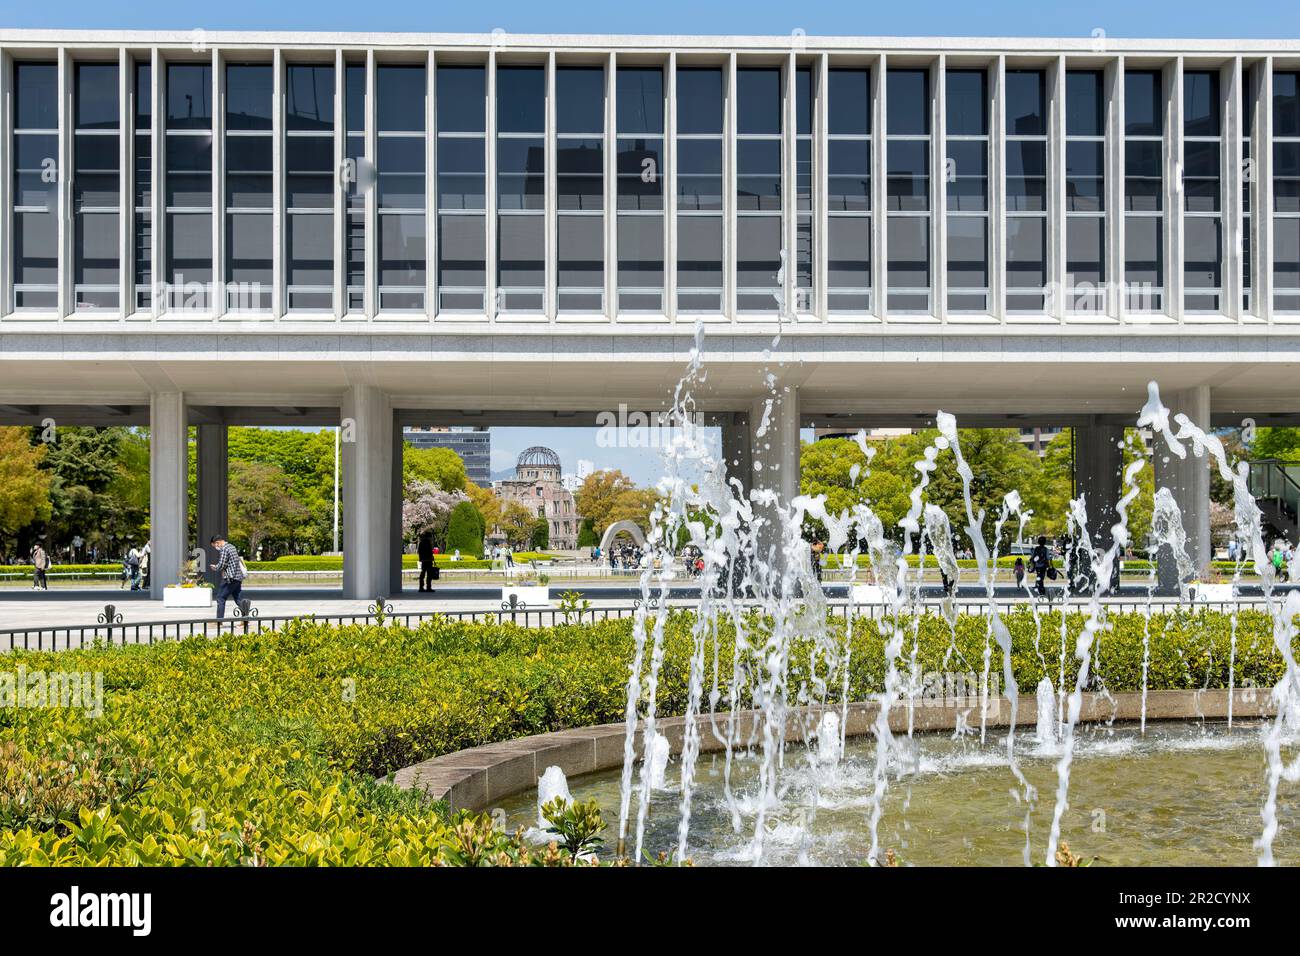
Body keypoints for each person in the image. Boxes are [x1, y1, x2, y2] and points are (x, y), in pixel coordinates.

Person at [210, 534, 247, 619]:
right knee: (238, 599)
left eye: (215, 545)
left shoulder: (224, 549)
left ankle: (219, 621)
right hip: (238, 577)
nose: (216, 547)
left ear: (217, 542)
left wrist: (215, 567)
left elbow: (222, 564)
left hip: (230, 578)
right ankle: (246, 618)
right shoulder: (232, 546)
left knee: (220, 598)